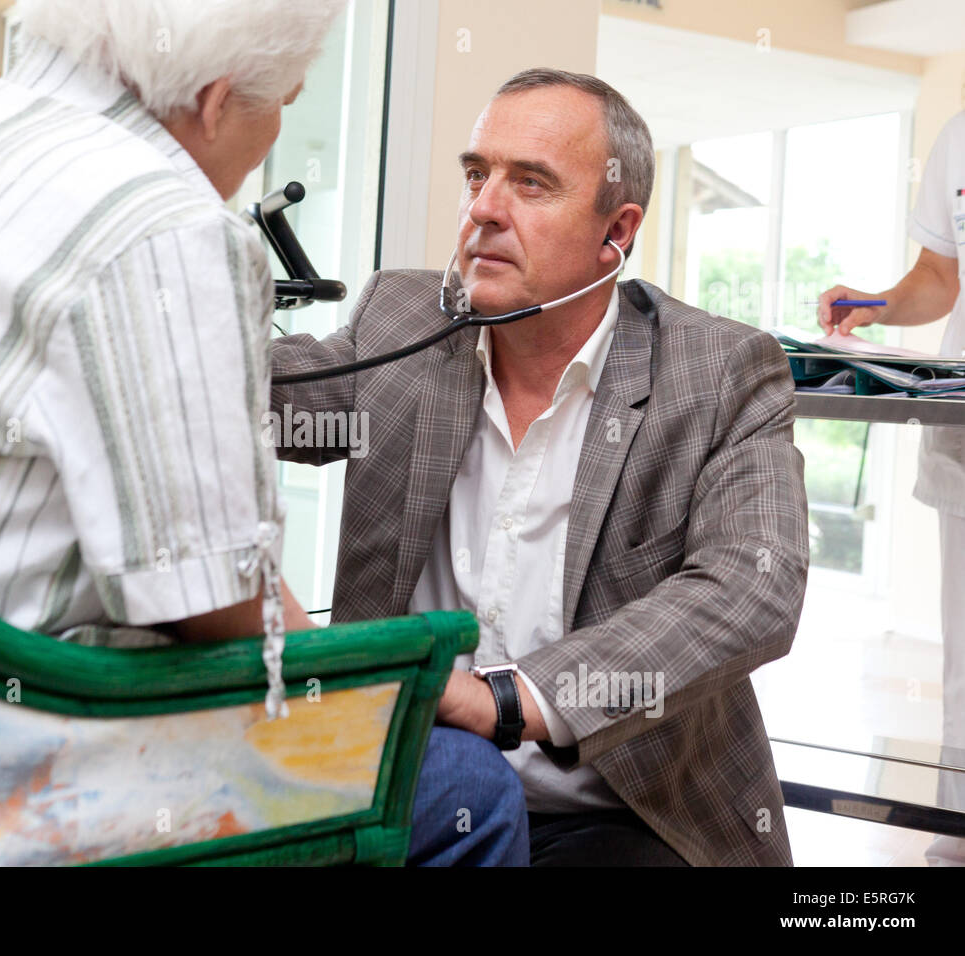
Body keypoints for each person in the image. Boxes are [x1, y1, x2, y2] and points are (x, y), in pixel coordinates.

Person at [0, 0, 527, 865]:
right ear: (214, 97)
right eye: (282, 104)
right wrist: (398, 687)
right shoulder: (163, 220)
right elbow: (216, 606)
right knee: (464, 784)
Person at [272, 68, 810, 865]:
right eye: (476, 175)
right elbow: (242, 398)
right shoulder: (403, 324)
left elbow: (753, 588)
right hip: (410, 784)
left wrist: (507, 700)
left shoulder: (718, 370)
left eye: (531, 183)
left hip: (621, 806)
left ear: (615, 233)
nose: (484, 208)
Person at [818, 109, 965, 866]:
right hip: (964, 433)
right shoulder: (959, 135)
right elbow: (941, 277)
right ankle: (954, 852)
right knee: (964, 669)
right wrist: (878, 304)